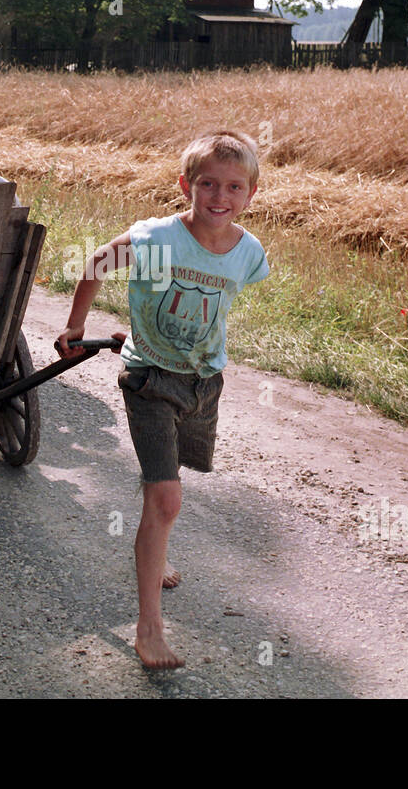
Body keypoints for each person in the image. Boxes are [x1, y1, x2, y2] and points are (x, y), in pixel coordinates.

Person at [56, 130, 269, 669]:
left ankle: (157, 535)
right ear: (185, 186)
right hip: (149, 379)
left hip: (202, 383)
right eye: (206, 184)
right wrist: (76, 325)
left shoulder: (247, 252)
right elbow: (95, 266)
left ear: (251, 194)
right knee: (167, 498)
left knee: (166, 482)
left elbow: (214, 307)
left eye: (233, 187)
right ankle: (148, 629)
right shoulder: (156, 240)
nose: (219, 196)